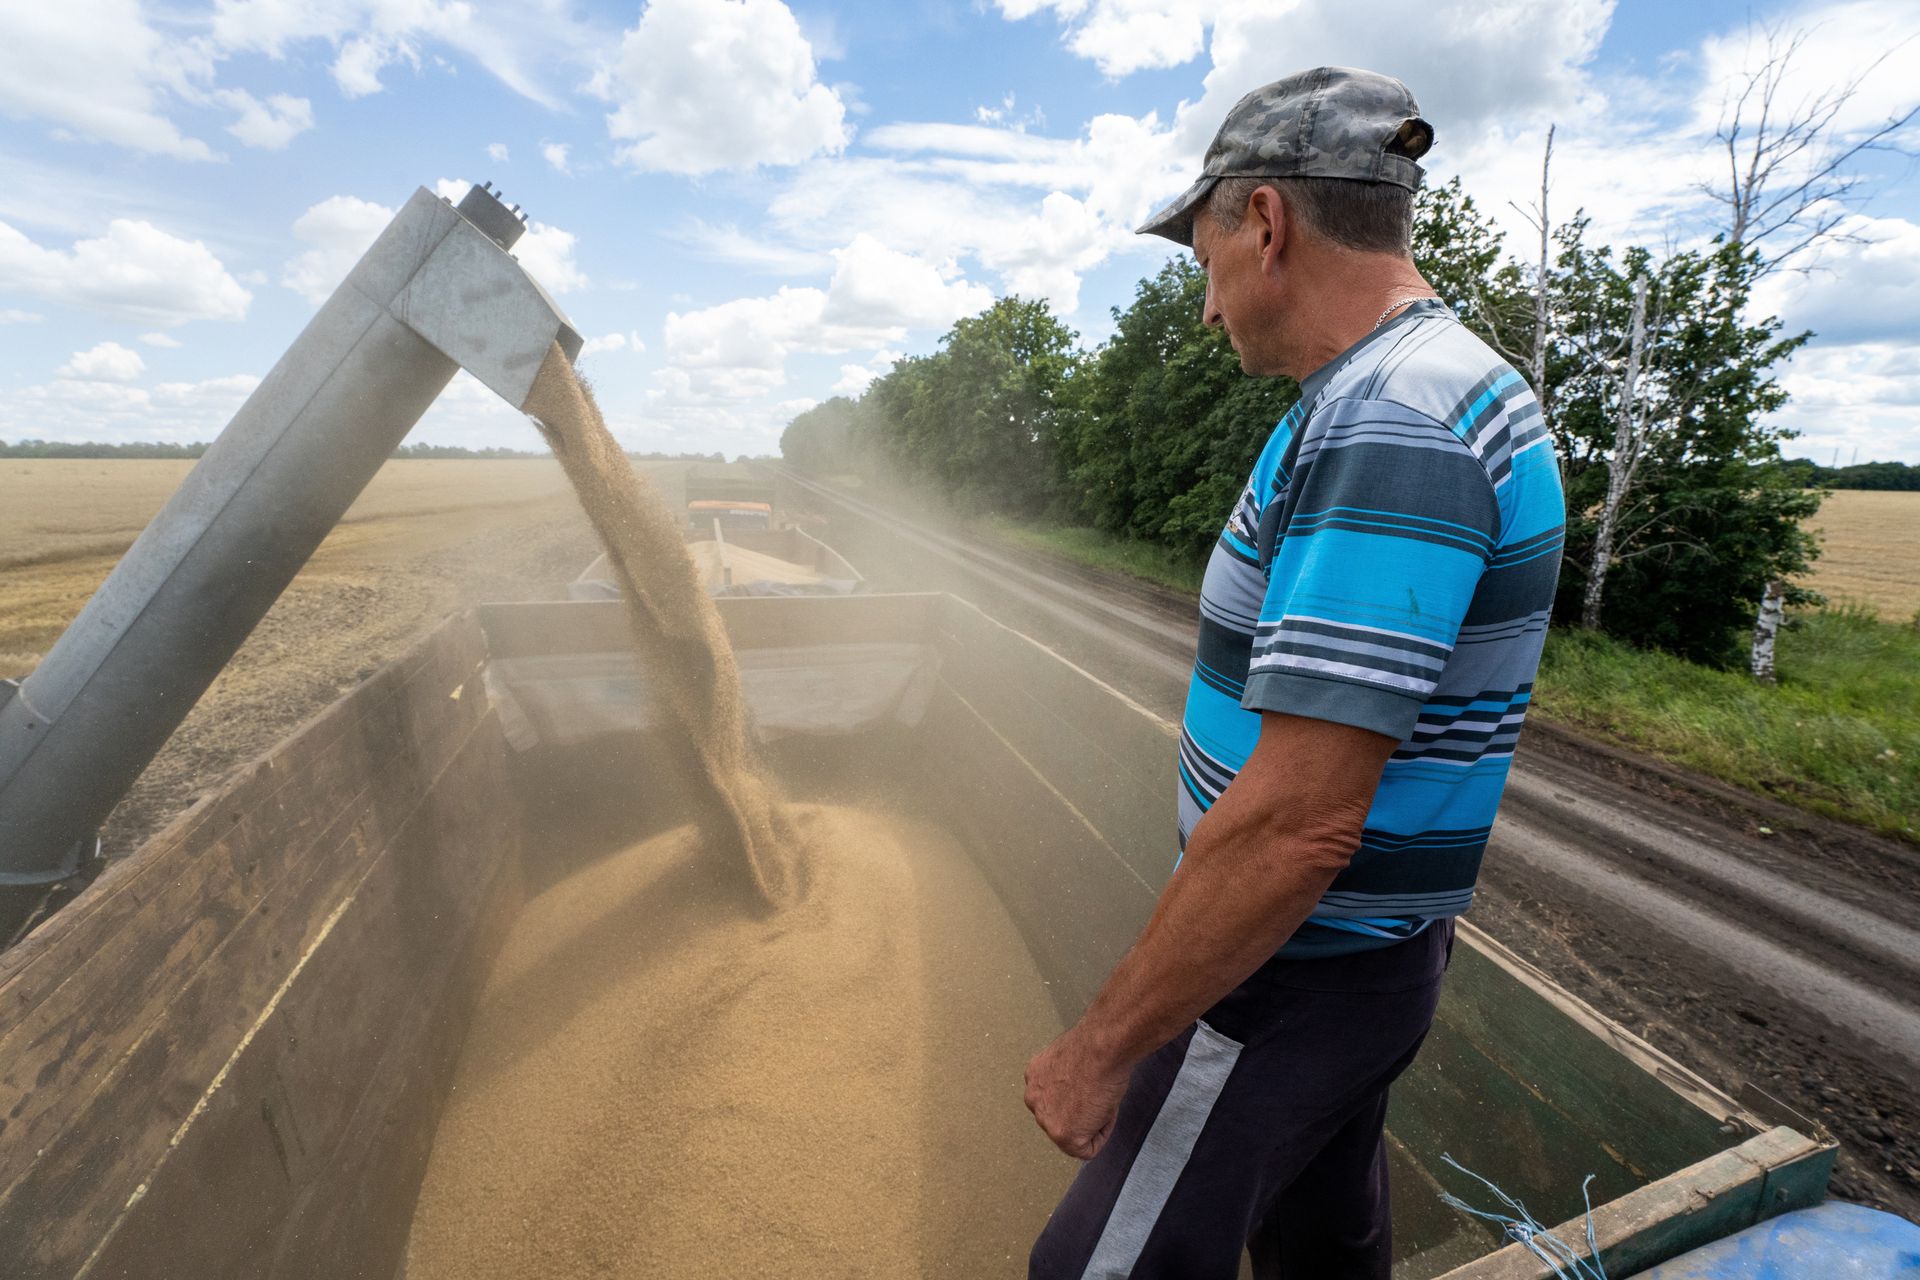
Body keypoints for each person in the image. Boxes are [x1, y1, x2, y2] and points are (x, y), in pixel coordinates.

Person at [1023, 67, 1567, 1279]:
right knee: (1323, 1246)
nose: (1206, 307)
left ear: (1265, 223)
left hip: (1286, 975)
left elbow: (1298, 822)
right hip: (1368, 961)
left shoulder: (1391, 418)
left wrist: (1100, 1046)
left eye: (1204, 258)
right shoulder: (1435, 384)